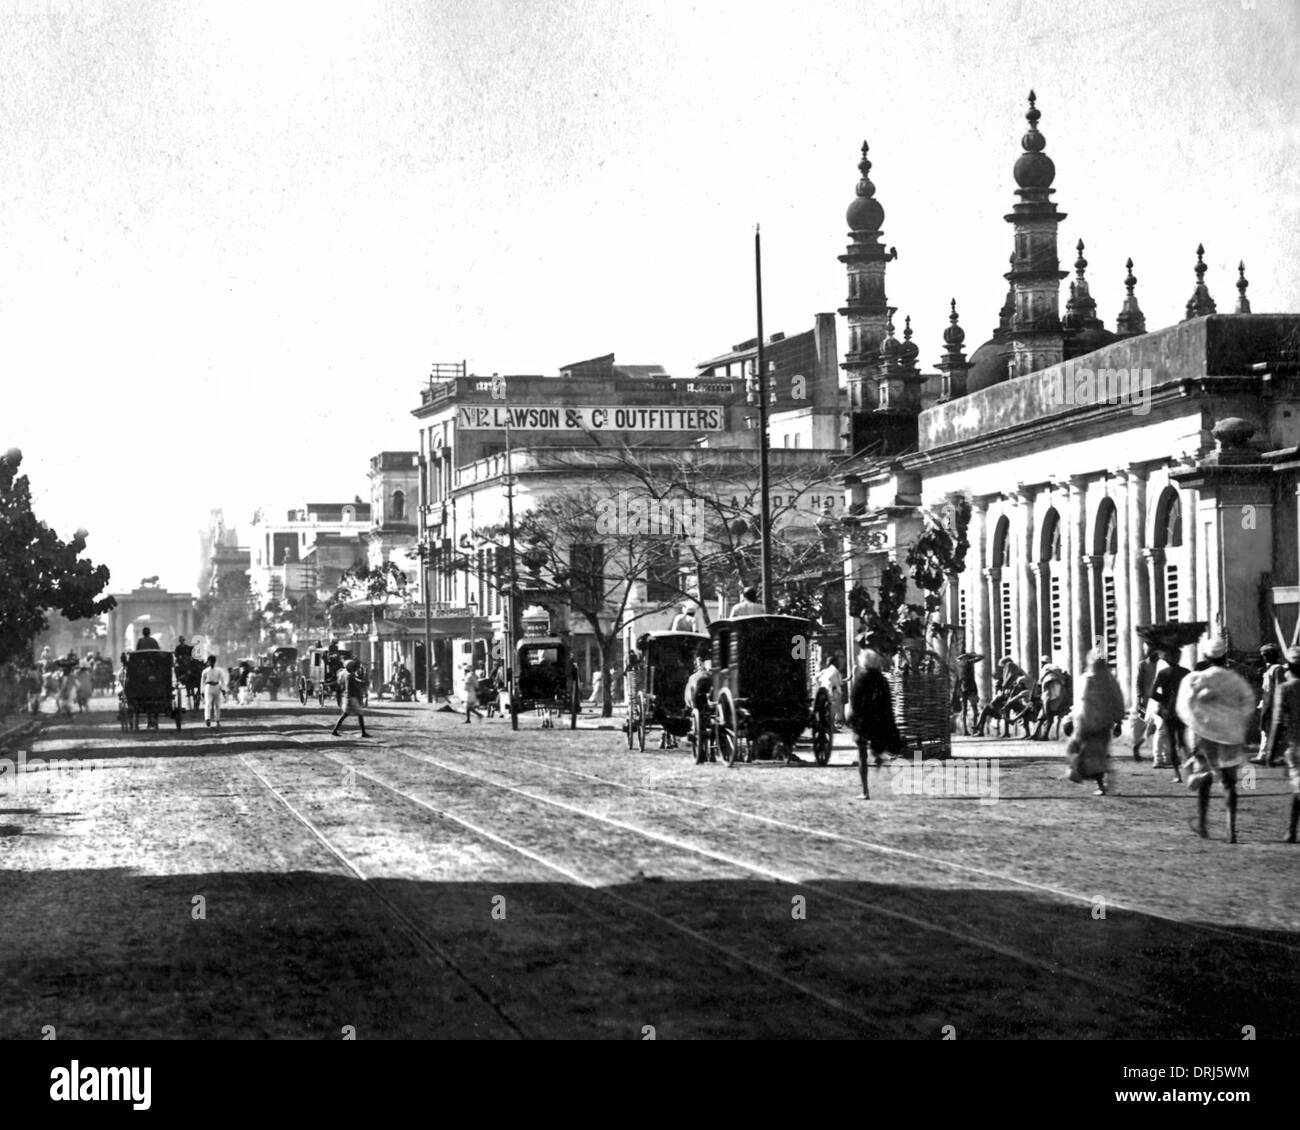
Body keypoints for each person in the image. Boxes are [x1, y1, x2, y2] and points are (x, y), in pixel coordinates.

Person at [1177, 649, 1255, 843]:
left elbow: (1187, 705)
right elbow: (1248, 702)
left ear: (1207, 658)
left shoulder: (1197, 679)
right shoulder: (1235, 680)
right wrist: (1235, 722)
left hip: (1205, 736)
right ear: (1224, 658)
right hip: (1229, 736)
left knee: (1204, 781)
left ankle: (1203, 824)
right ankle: (1231, 830)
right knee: (1230, 783)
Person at [1064, 649, 1126, 795]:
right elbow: (1079, 702)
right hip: (1085, 723)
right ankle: (1084, 774)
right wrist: (1072, 718)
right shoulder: (1087, 679)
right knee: (1084, 752)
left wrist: (1118, 721)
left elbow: (1117, 701)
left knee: (1096, 755)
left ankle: (1095, 781)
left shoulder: (1107, 681)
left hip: (1099, 724)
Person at [846, 645, 902, 800]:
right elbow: (888, 703)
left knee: (861, 756)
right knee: (876, 749)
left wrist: (853, 720)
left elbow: (855, 702)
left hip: (864, 723)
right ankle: (879, 760)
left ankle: (865, 791)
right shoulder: (882, 680)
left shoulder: (861, 679)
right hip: (879, 722)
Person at [1267, 646, 1300, 844]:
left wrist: (1271, 752)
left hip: (1296, 745)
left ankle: (1291, 830)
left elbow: (1278, 722)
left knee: (1298, 789)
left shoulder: (1285, 689)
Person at [1149, 645, 1188, 780]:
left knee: (1171, 741)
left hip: (1168, 711)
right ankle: (1189, 769)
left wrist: (1164, 701)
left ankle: (1177, 775)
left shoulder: (1163, 673)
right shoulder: (1186, 672)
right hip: (1182, 710)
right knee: (1183, 741)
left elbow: (1152, 693)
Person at [1251, 643, 1286, 766]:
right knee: (1265, 730)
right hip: (1266, 703)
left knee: (1270, 730)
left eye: (1265, 655)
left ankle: (1268, 755)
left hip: (1273, 704)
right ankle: (1264, 754)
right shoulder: (1269, 669)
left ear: (1272, 655)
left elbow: (1278, 688)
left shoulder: (1277, 669)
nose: (1263, 657)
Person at [1131, 643, 1160, 761]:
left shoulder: (1161, 664)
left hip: (1157, 699)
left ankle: (1156, 752)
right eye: (1147, 650)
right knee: (1144, 725)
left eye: (1151, 649)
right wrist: (1139, 699)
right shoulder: (1142, 665)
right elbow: (1138, 683)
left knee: (1154, 726)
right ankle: (1137, 746)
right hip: (1146, 700)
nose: (1149, 652)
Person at [331, 659, 369, 737]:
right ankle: (363, 733)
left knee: (345, 715)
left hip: (347, 697)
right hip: (351, 697)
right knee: (360, 714)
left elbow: (354, 681)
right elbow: (349, 687)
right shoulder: (349, 675)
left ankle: (335, 730)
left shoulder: (344, 673)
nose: (355, 668)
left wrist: (361, 682)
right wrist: (349, 698)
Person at [817, 655, 845, 729]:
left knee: (826, 710)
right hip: (833, 692)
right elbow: (840, 682)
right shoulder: (835, 671)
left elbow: (817, 678)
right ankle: (831, 726)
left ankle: (828, 725)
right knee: (834, 709)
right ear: (834, 663)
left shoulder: (824, 671)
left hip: (823, 692)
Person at [199, 655, 227, 728]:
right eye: (210, 661)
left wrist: (223, 689)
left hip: (216, 687)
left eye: (212, 661)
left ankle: (217, 720)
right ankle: (207, 719)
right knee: (208, 703)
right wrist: (202, 691)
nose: (211, 663)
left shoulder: (219, 670)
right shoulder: (205, 671)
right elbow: (202, 682)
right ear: (208, 662)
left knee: (217, 705)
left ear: (214, 662)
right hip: (208, 687)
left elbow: (222, 681)